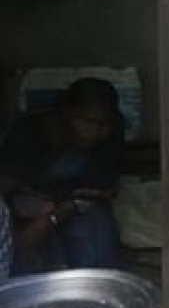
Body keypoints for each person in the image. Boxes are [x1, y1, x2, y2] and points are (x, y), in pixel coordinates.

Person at [0, 78, 125, 274]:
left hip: (74, 206)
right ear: (67, 112)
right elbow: (5, 188)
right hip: (23, 205)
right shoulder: (28, 132)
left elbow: (100, 189)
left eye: (104, 125)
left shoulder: (112, 135)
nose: (95, 131)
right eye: (87, 122)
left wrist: (49, 220)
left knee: (97, 258)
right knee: (22, 265)